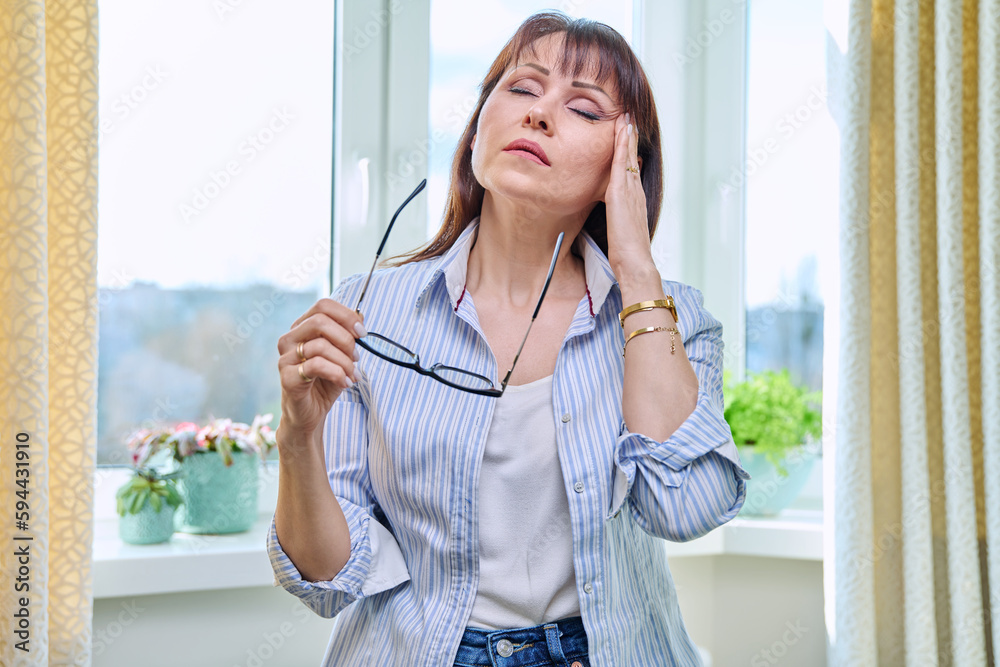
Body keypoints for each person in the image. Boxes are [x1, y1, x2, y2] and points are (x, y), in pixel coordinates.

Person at [269, 11, 748, 667]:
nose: (540, 115)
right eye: (522, 89)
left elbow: (686, 507)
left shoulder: (668, 318)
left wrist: (636, 268)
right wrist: (298, 436)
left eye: (583, 107)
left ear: (626, 165)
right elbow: (330, 578)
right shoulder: (365, 310)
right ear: (477, 131)